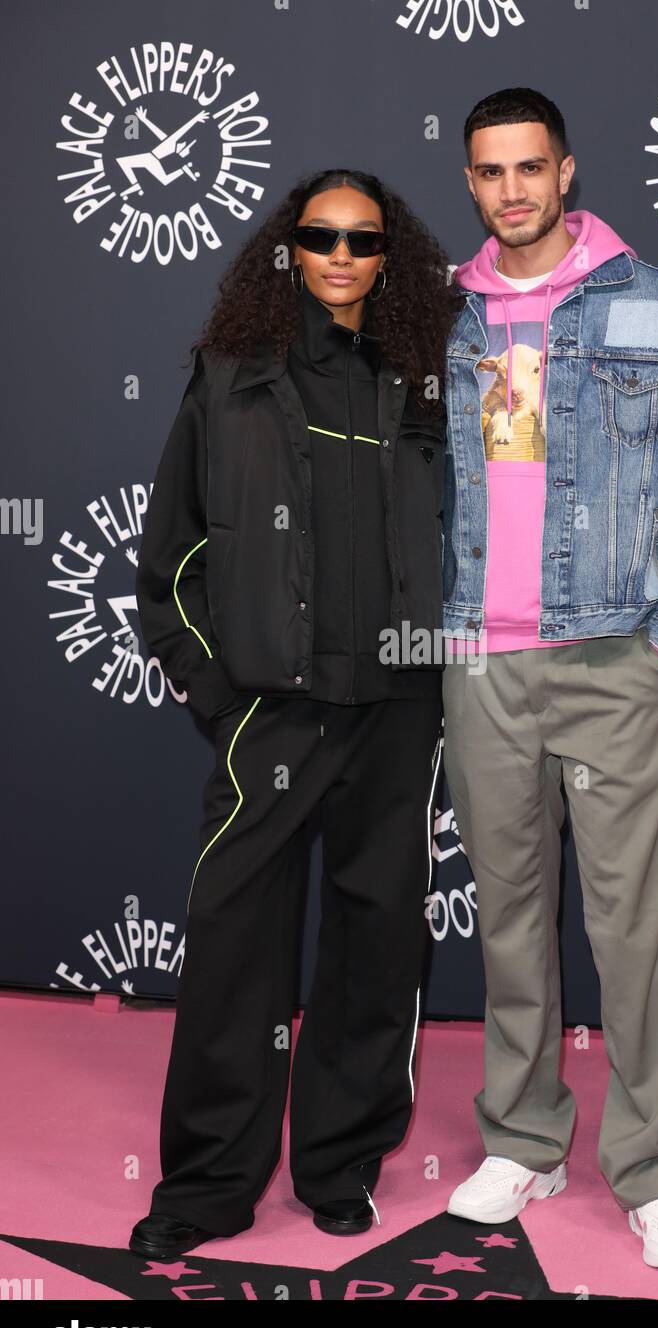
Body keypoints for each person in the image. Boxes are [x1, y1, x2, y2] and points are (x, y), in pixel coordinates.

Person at [440, 89, 658, 1269]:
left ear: (566, 171)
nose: (510, 190)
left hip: (611, 657)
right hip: (480, 664)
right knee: (511, 925)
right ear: (469, 181)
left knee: (640, 932)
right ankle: (520, 1137)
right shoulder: (449, 315)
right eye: (488, 172)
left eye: (530, 168)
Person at [130, 168, 463, 1259]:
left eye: (361, 240)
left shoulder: (428, 386)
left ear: (388, 258)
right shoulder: (230, 379)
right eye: (317, 235)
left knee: (377, 944)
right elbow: (171, 554)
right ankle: (207, 1185)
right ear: (288, 248)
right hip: (270, 713)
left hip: (400, 707)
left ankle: (340, 1165)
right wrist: (216, 688)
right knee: (236, 947)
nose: (337, 254)